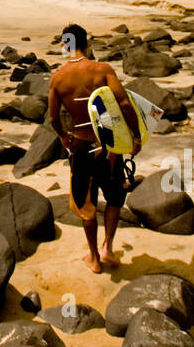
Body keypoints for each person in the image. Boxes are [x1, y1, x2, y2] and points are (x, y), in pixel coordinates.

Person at [48, 22, 142, 273]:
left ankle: (93, 259)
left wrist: (62, 136)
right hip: (108, 146)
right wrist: (135, 136)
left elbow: (53, 118)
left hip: (80, 145)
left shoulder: (58, 78)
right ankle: (108, 248)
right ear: (87, 43)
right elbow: (123, 102)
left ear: (65, 46)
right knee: (114, 196)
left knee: (85, 202)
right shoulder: (102, 70)